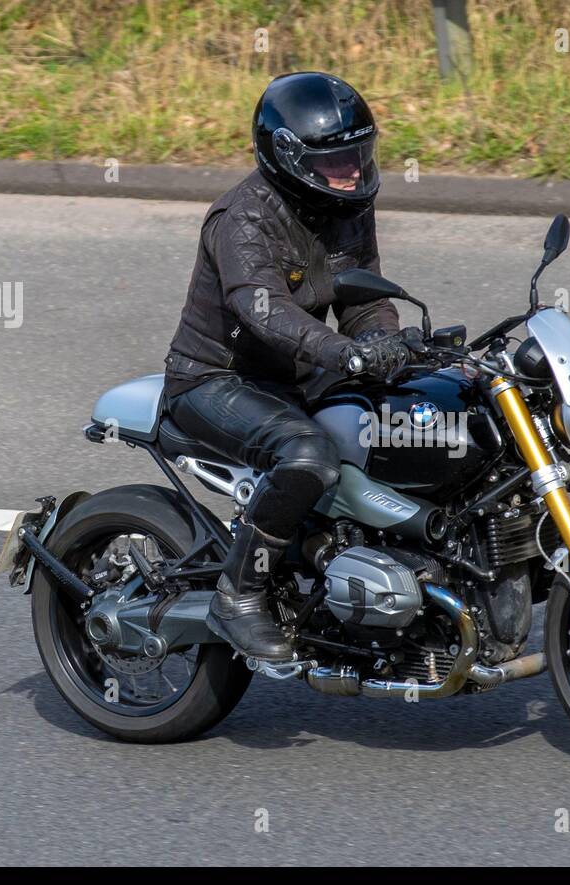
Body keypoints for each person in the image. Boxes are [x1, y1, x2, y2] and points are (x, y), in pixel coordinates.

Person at [163, 72, 416, 662]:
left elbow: (363, 299)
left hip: (299, 372)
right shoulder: (243, 219)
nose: (352, 171)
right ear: (288, 159)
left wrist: (387, 345)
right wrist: (344, 353)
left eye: (358, 154)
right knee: (309, 454)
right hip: (215, 379)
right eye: (335, 161)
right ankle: (239, 594)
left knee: (416, 408)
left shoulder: (347, 207)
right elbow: (262, 311)